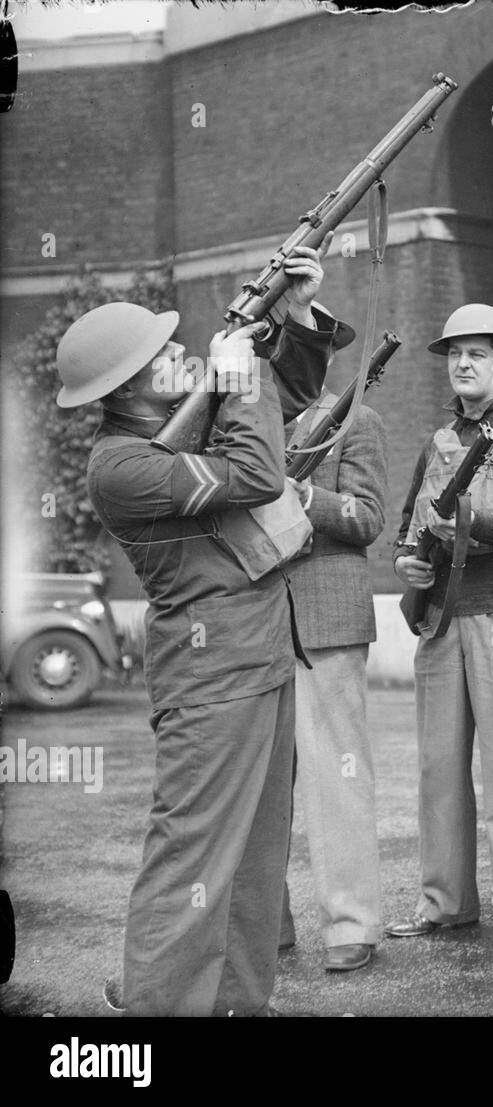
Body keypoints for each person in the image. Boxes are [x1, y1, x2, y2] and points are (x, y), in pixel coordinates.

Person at [59, 246, 335, 1016]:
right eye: (164, 353)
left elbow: (296, 397)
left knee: (252, 857)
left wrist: (296, 313)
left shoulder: (196, 410)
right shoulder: (119, 466)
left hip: (262, 655)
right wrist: (233, 373)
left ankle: (238, 1002)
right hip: (210, 675)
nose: (181, 354)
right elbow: (256, 474)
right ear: (133, 383)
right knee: (193, 855)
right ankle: (153, 1013)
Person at [385, 304, 493, 956]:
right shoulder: (439, 441)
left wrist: (467, 523)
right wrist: (407, 559)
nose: (463, 363)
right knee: (439, 768)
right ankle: (446, 902)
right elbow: (411, 525)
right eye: (455, 354)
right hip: (442, 618)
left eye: (477, 354)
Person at [277, 313, 387, 974]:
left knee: (336, 779)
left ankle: (353, 922)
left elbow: (368, 517)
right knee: (263, 785)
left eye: (309, 352)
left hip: (328, 618)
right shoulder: (252, 425)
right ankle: (269, 922)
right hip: (258, 620)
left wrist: (308, 495)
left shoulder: (358, 422)